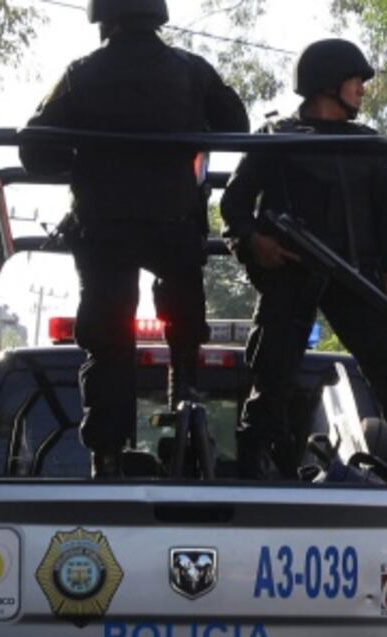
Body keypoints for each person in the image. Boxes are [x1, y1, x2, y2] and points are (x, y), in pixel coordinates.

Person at [20, 0, 249, 478]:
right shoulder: (192, 70)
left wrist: (85, 156)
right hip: (175, 227)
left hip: (104, 231)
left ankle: (106, 457)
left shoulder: (82, 73)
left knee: (107, 338)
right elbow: (236, 127)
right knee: (183, 310)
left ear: (105, 19)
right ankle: (185, 396)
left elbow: (35, 151)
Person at [220, 38, 387, 480]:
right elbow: (234, 204)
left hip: (356, 275)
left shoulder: (368, 144)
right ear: (326, 85)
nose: (362, 89)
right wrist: (255, 243)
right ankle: (257, 458)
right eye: (354, 80)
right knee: (273, 370)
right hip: (292, 272)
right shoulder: (277, 137)